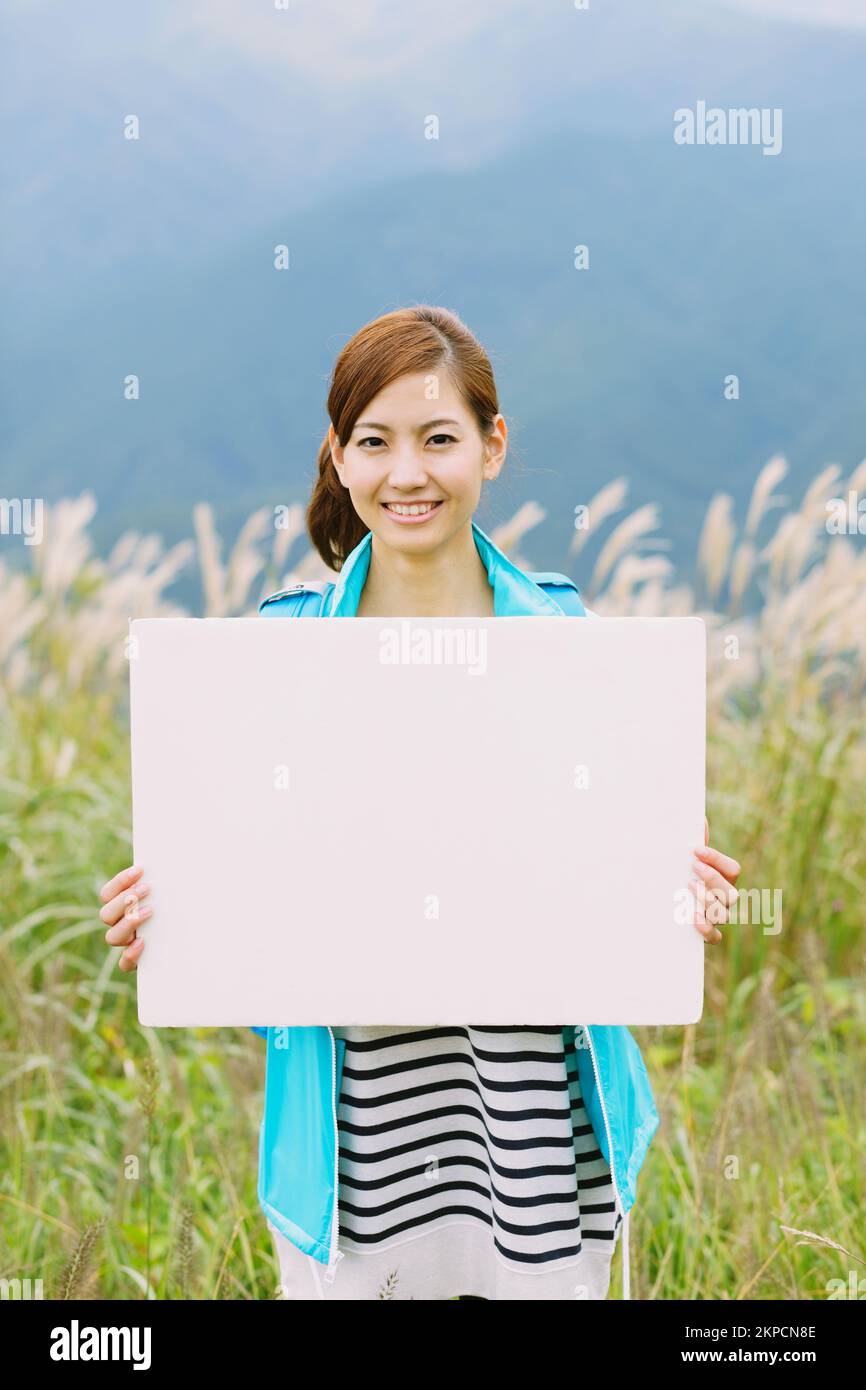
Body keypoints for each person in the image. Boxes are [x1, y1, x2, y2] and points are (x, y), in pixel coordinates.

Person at [98, 305, 740, 1300]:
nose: (407, 473)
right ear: (338, 456)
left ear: (490, 445)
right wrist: (168, 916)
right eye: (375, 441)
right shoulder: (273, 659)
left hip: (534, 1136)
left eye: (438, 439)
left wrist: (676, 894)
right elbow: (247, 906)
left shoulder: (573, 643)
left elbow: (623, 876)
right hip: (357, 1152)